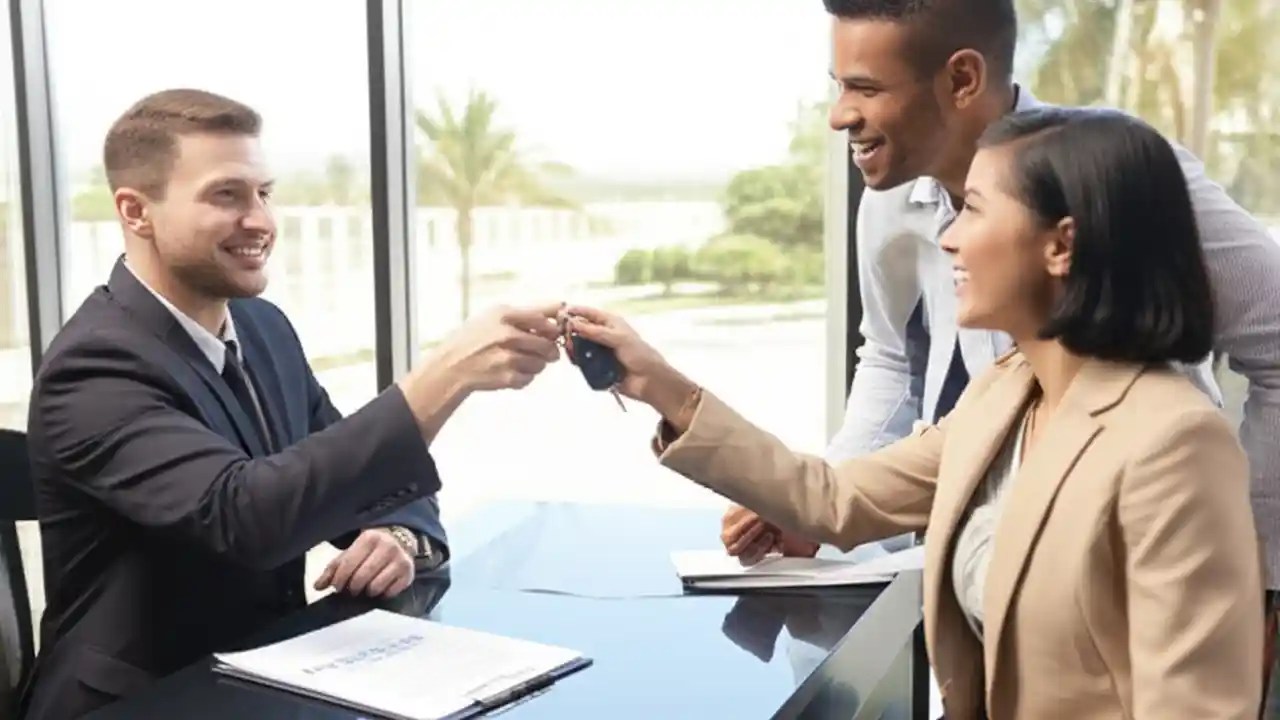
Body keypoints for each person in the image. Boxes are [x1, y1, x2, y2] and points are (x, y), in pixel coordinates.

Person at [566, 107, 1265, 719]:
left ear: (1061, 244)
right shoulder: (1005, 394)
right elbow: (834, 499)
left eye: (977, 210)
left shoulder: (1173, 443)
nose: (949, 238)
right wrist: (661, 384)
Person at [720, 0, 1280, 680]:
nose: (840, 113)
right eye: (838, 86)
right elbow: (893, 362)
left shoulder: (1113, 178)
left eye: (864, 87)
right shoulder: (890, 202)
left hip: (1118, 579)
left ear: (961, 79)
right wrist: (826, 513)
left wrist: (1241, 557)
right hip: (974, 575)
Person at [19, 88, 563, 719]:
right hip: (144, 700)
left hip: (264, 681)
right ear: (136, 211)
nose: (261, 221)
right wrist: (443, 377)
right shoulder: (94, 367)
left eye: (264, 193)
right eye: (227, 195)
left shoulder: (264, 328)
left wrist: (396, 534)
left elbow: (361, 475)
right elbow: (245, 518)